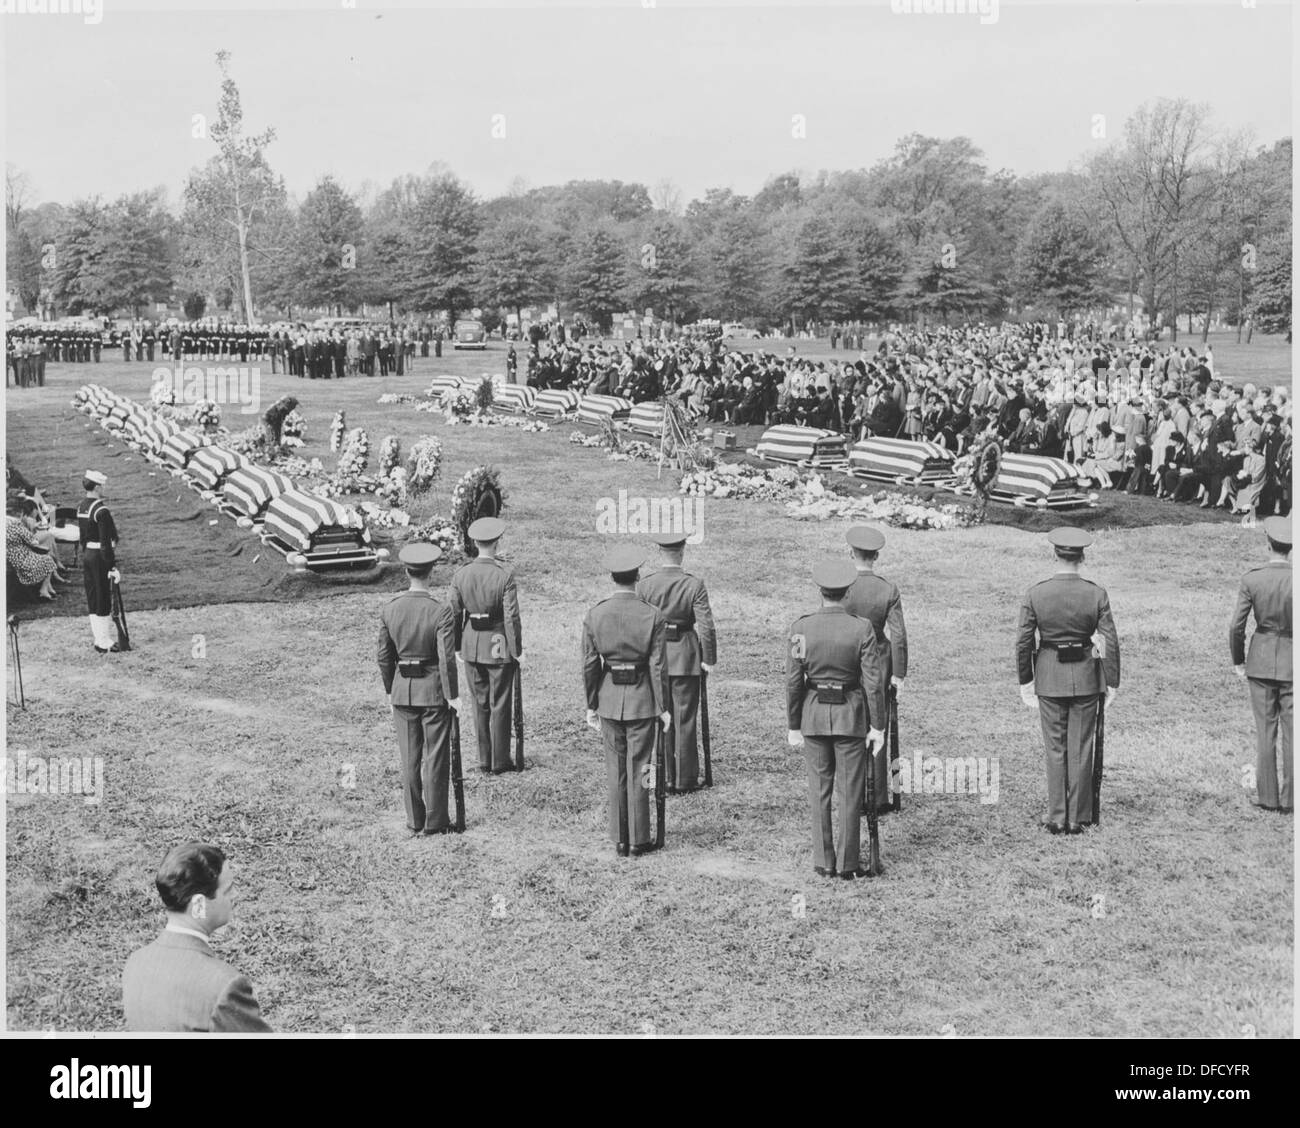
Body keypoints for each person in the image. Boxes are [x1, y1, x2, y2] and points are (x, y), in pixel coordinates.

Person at [786, 559, 887, 879]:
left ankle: (823, 860)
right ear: (846, 592)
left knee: (819, 791)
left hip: (813, 715)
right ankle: (847, 863)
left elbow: (793, 681)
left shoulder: (801, 627)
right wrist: (878, 725)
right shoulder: (861, 628)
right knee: (850, 790)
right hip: (851, 717)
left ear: (820, 591)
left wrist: (793, 724)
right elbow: (873, 682)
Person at [1016, 527, 1121, 834]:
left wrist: (1026, 681)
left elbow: (1024, 642)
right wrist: (1111, 679)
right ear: (1083, 556)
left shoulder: (1036, 593)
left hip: (1049, 676)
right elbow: (1110, 641)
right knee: (1080, 746)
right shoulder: (1096, 593)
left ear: (1055, 554)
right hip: (1087, 677)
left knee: (1055, 747)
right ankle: (1077, 816)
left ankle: (1057, 815)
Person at [122, 842, 272, 1032]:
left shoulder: (135, 963)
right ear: (199, 905)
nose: (236, 895)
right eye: (227, 890)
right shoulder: (224, 985)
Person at [582, 545, 671, 857]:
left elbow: (590, 665)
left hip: (609, 699)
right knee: (642, 769)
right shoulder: (652, 615)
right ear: (637, 577)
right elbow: (658, 667)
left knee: (615, 770)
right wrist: (663, 707)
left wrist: (592, 704)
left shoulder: (595, 614)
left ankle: (620, 838)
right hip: (642, 701)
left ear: (612, 577)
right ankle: (638, 838)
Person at [377, 543, 461, 835]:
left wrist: (391, 690)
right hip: (433, 691)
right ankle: (436, 821)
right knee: (435, 757)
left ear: (405, 571)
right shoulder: (441, 612)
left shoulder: (390, 609)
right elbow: (445, 657)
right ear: (431, 571)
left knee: (409, 758)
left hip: (402, 690)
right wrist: (453, 696)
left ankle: (415, 819)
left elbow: (384, 656)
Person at [635, 532, 717, 794]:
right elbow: (706, 625)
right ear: (682, 553)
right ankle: (683, 779)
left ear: (661, 553)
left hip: (655, 658)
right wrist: (708, 659)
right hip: (685, 657)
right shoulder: (693, 584)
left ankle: (661, 776)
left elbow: (640, 624)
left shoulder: (646, 585)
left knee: (658, 718)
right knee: (684, 720)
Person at [447, 517, 523, 775]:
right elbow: (511, 616)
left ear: (474, 543)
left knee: (479, 702)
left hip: (471, 643)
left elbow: (454, 615)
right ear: (497, 542)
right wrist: (517, 650)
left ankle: (483, 758)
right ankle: (500, 760)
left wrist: (457, 645)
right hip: (498, 642)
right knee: (500, 702)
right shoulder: (504, 575)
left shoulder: (461, 574)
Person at [1229, 516, 1292, 813]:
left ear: (1268, 544)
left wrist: (1238, 660)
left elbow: (1236, 627)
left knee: (1265, 731)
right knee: (1294, 734)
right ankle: (1293, 797)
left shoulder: (1252, 578)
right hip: (1293, 661)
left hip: (1261, 659)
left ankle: (1268, 797)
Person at [843, 526, 907, 814]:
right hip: (880, 661)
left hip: (847, 660)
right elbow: (899, 636)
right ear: (876, 555)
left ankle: (854, 792)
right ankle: (879, 795)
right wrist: (899, 673)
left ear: (850, 552)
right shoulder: (887, 589)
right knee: (878, 723)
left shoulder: (840, 584)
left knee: (851, 725)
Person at [78, 470, 121, 653]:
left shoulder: (81, 506)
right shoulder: (101, 510)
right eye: (102, 485)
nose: (103, 488)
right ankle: (104, 642)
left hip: (88, 554)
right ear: (96, 487)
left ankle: (99, 638)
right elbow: (106, 543)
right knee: (102, 596)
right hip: (99, 557)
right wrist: (111, 566)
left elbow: (82, 538)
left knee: (93, 595)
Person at [6, 498, 62, 599]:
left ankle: (48, 588)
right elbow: (32, 541)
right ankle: (44, 590)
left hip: (9, 557)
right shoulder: (16, 525)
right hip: (20, 559)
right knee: (47, 558)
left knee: (44, 554)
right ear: (20, 512)